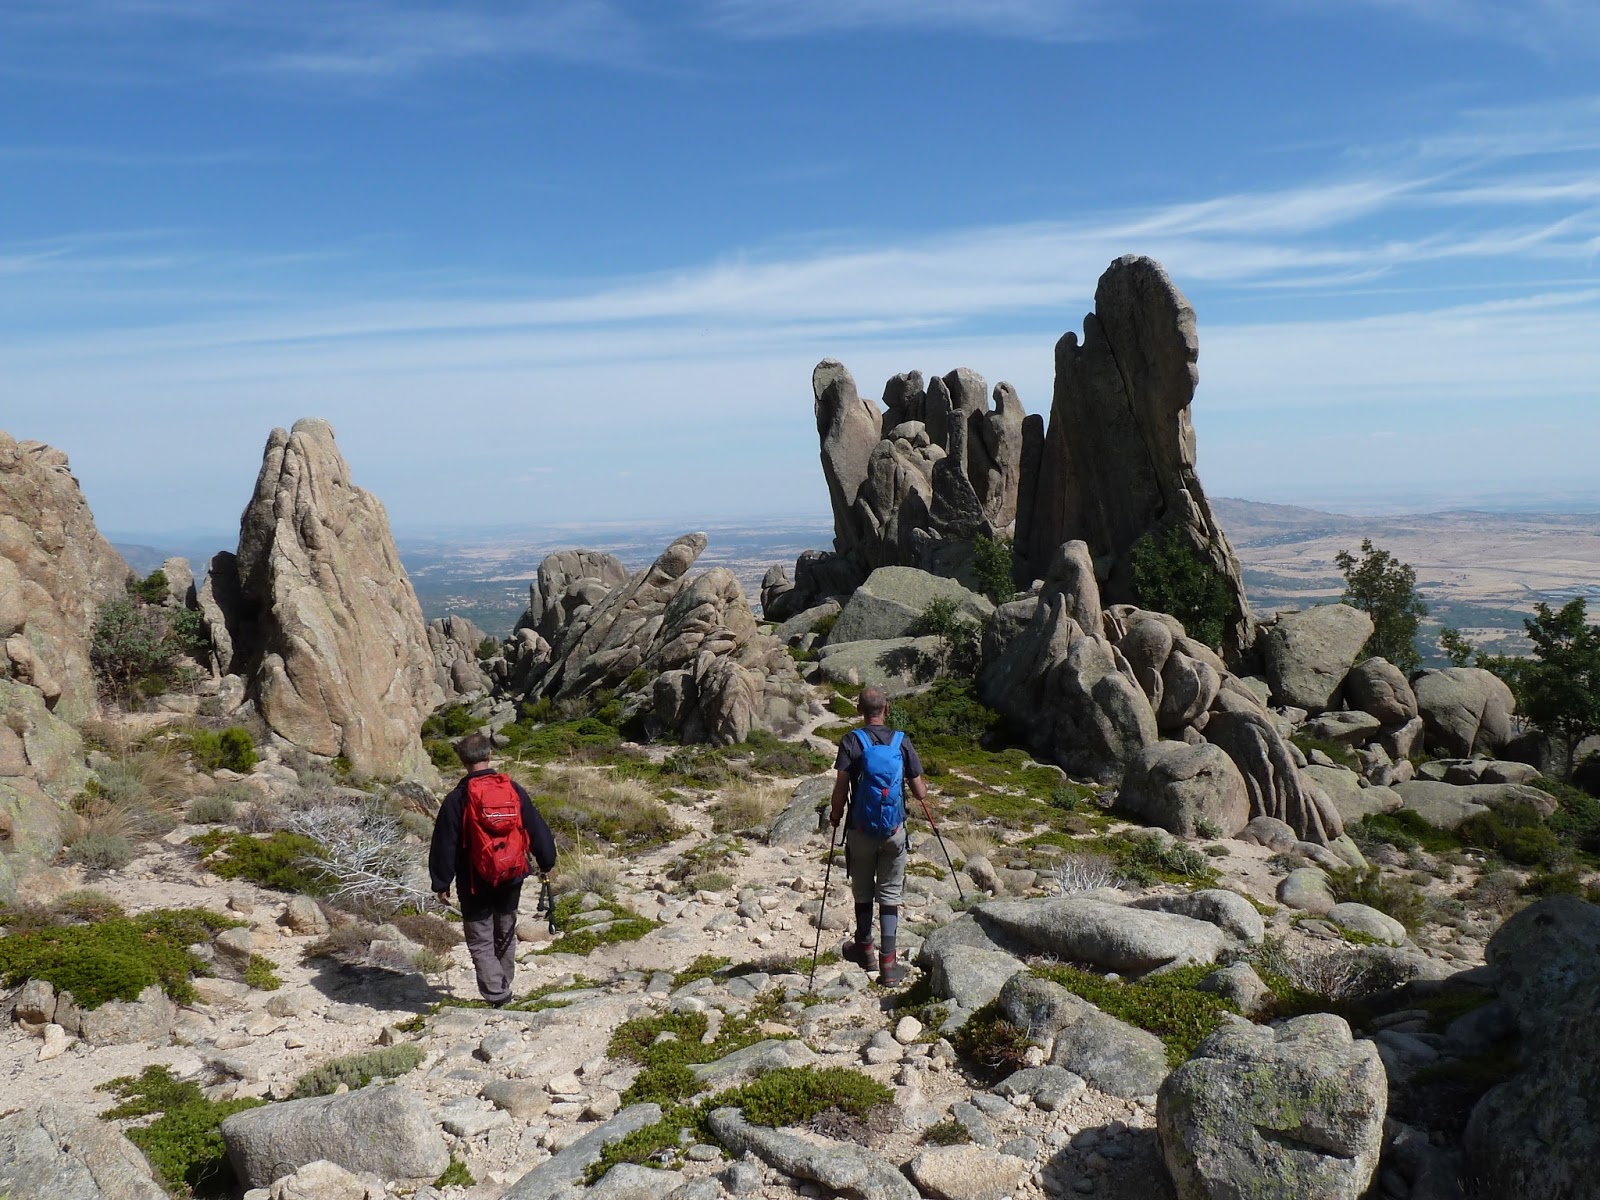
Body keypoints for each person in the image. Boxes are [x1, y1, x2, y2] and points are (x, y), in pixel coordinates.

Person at [429, 732, 557, 1006]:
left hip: (474, 881)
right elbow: (536, 828)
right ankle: (503, 985)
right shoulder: (513, 789)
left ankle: (498, 995)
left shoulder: (456, 799)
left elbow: (444, 844)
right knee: (506, 930)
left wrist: (441, 883)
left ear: (463, 761)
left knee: (480, 939)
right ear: (489, 756)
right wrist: (546, 861)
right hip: (511, 875)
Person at [829, 685, 928, 986]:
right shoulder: (901, 742)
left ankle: (865, 950)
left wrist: (835, 817)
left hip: (860, 830)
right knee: (890, 894)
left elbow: (841, 788)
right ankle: (889, 965)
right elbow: (921, 791)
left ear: (859, 710)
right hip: (894, 832)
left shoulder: (851, 741)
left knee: (862, 892)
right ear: (886, 709)